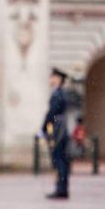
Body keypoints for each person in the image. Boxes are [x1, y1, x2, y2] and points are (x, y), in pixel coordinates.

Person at [41, 68, 70, 199]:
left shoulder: (57, 94)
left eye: (52, 77)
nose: (50, 79)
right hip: (60, 126)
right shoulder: (60, 93)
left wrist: (44, 128)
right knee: (61, 160)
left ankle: (61, 188)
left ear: (58, 79)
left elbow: (51, 113)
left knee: (58, 159)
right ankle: (61, 187)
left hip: (57, 128)